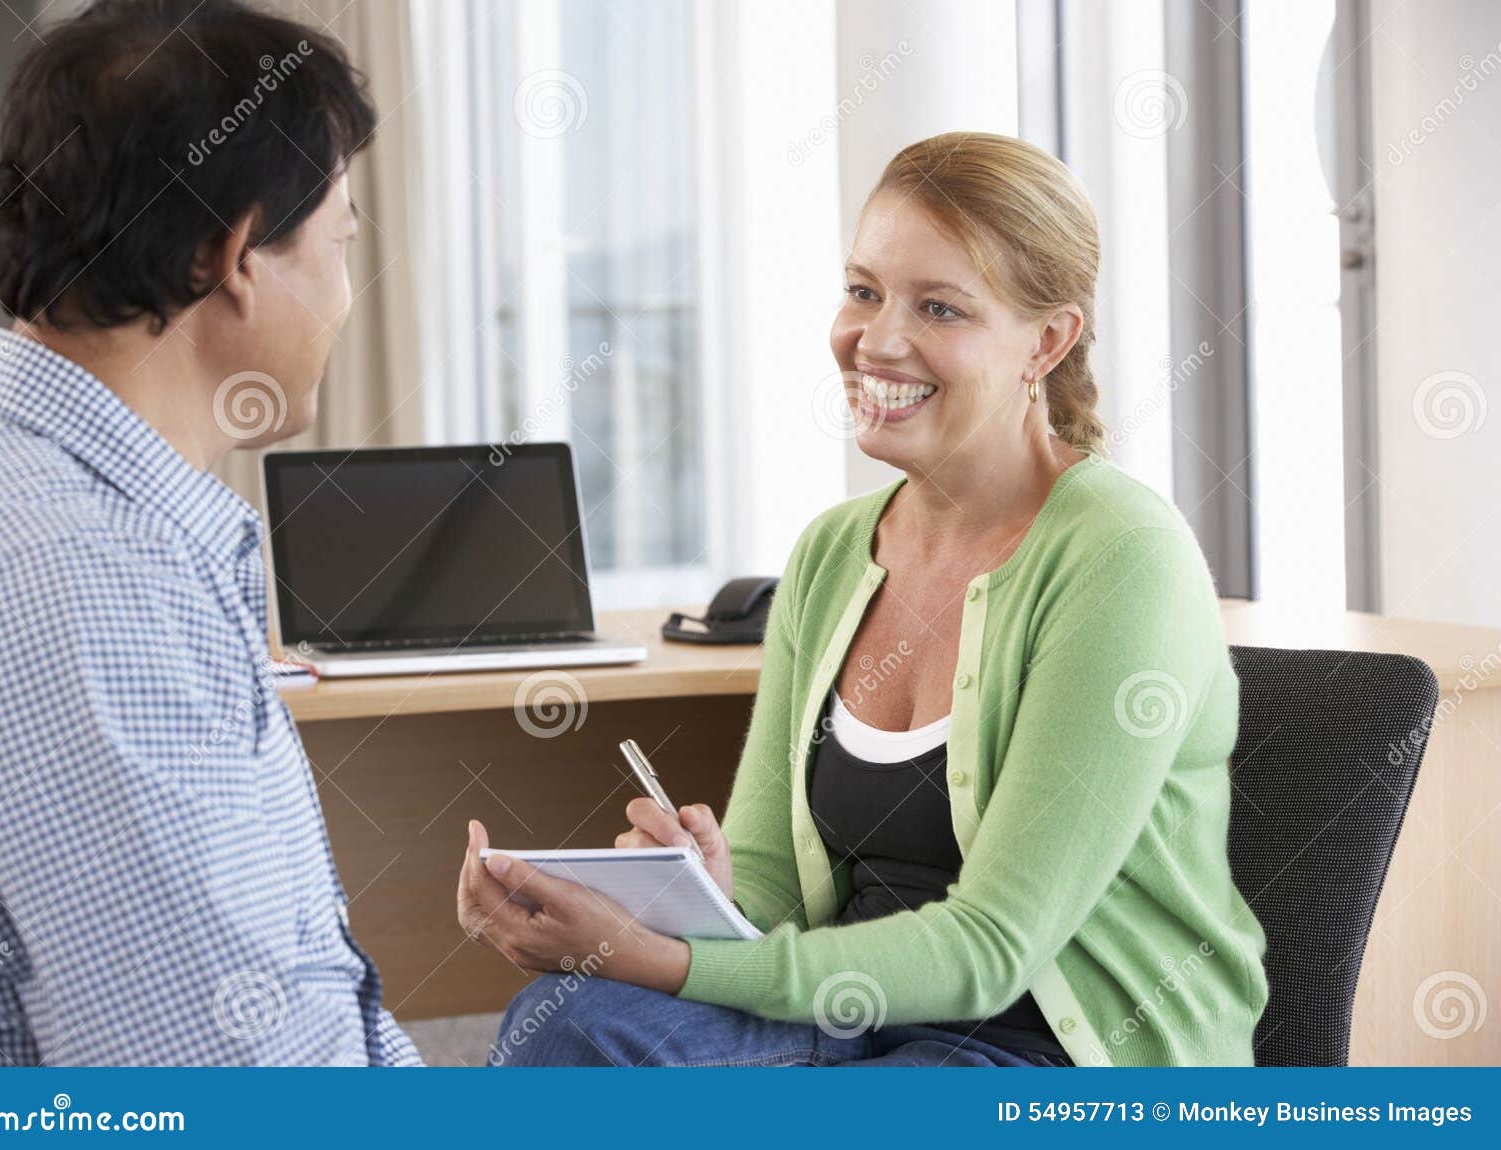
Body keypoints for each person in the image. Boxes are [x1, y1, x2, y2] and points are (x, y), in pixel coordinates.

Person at [460, 132, 1269, 1067]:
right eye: (863, 290)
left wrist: (673, 961)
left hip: (1053, 1052)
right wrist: (698, 899)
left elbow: (990, 951)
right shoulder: (835, 553)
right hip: (859, 1018)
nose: (877, 339)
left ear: (1046, 342)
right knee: (563, 1021)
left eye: (939, 307)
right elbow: (771, 886)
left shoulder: (1122, 559)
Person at [0, 0, 420, 1065]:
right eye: (339, 242)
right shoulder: (79, 576)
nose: (342, 294)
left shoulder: (22, 498)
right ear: (235, 255)